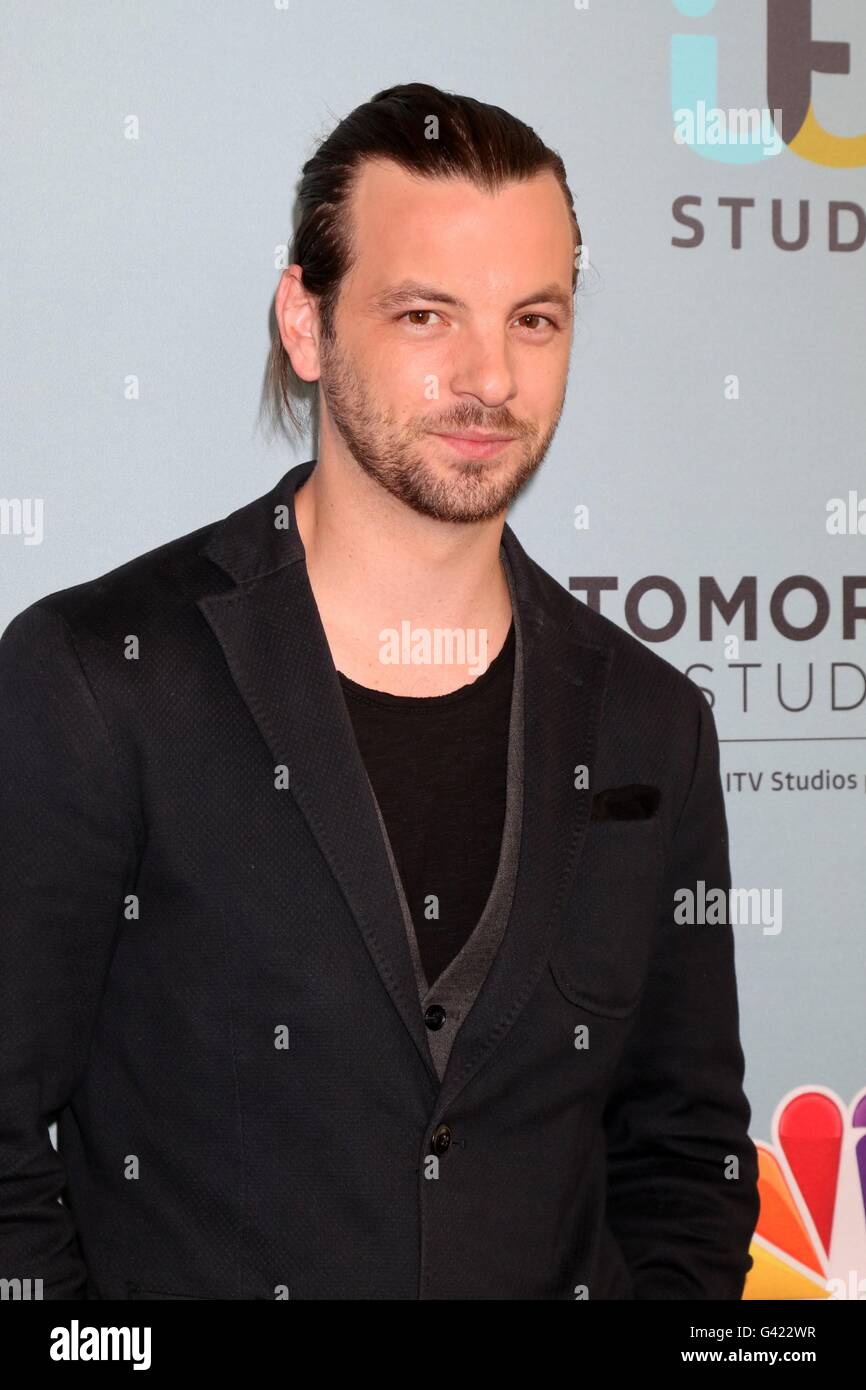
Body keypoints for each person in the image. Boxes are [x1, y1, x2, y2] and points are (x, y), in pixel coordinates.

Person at [0, 82, 759, 1300]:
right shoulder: (99, 679)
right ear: (305, 323)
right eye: (424, 315)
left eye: (534, 320)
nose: (489, 380)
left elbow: (684, 1157)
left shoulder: (647, 722)